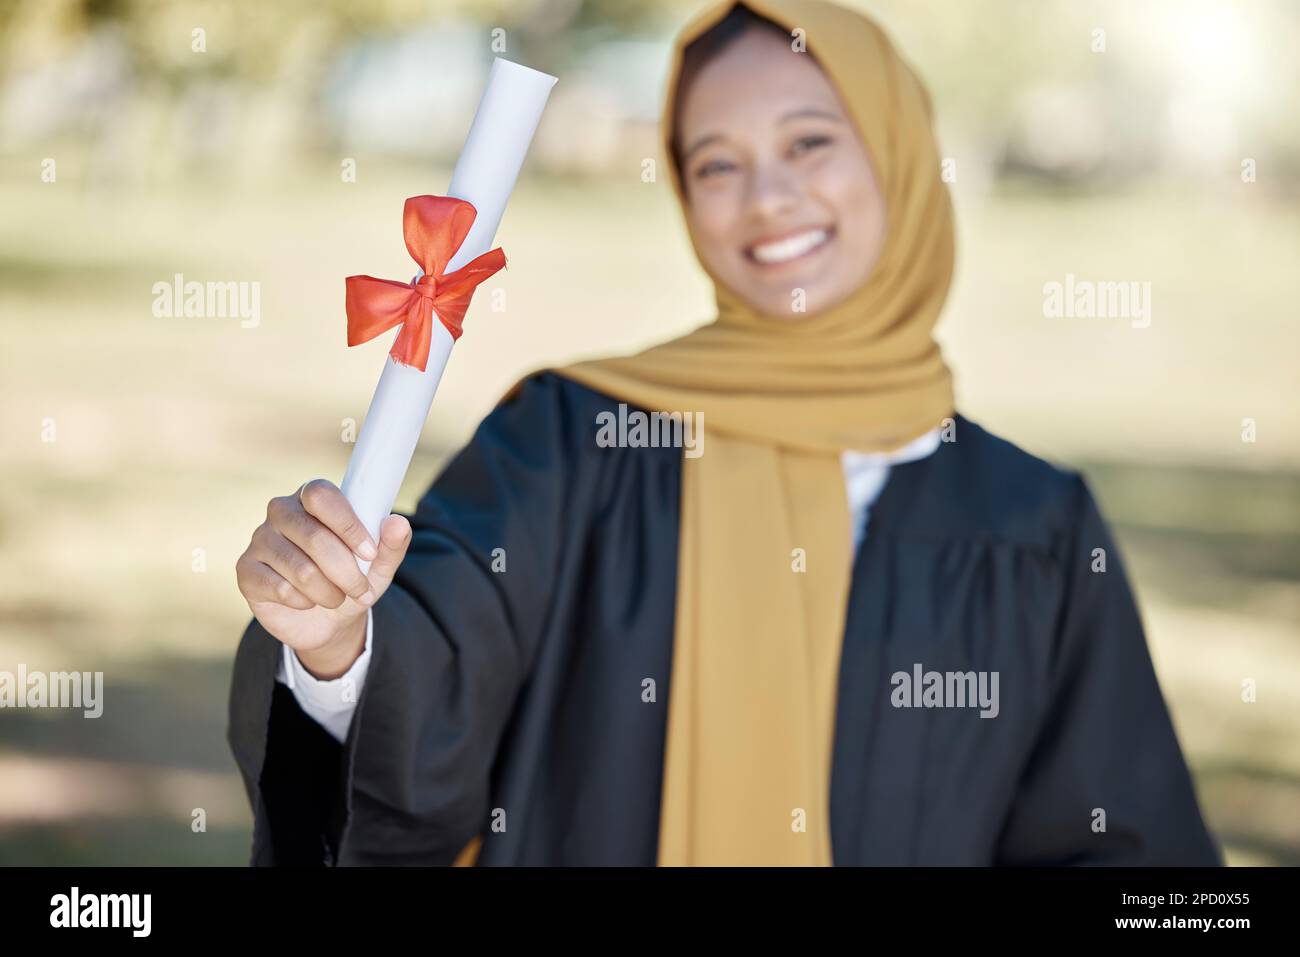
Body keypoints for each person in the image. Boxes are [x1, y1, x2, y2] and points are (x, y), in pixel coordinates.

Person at [229, 0, 1220, 866]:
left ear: (899, 150)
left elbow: (1117, 848)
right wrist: (336, 640)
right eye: (716, 163)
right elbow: (427, 688)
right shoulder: (575, 443)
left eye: (809, 143)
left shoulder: (1031, 525)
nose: (766, 198)